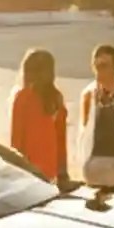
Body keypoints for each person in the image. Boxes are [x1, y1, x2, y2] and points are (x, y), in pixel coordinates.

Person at [77, 44, 114, 188]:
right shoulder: (88, 94)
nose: (99, 70)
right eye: (96, 65)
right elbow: (84, 128)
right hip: (93, 159)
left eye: (104, 65)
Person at [10, 47, 68, 183]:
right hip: (48, 168)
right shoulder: (56, 98)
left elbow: (17, 139)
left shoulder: (23, 98)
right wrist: (63, 171)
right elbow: (61, 139)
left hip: (30, 169)